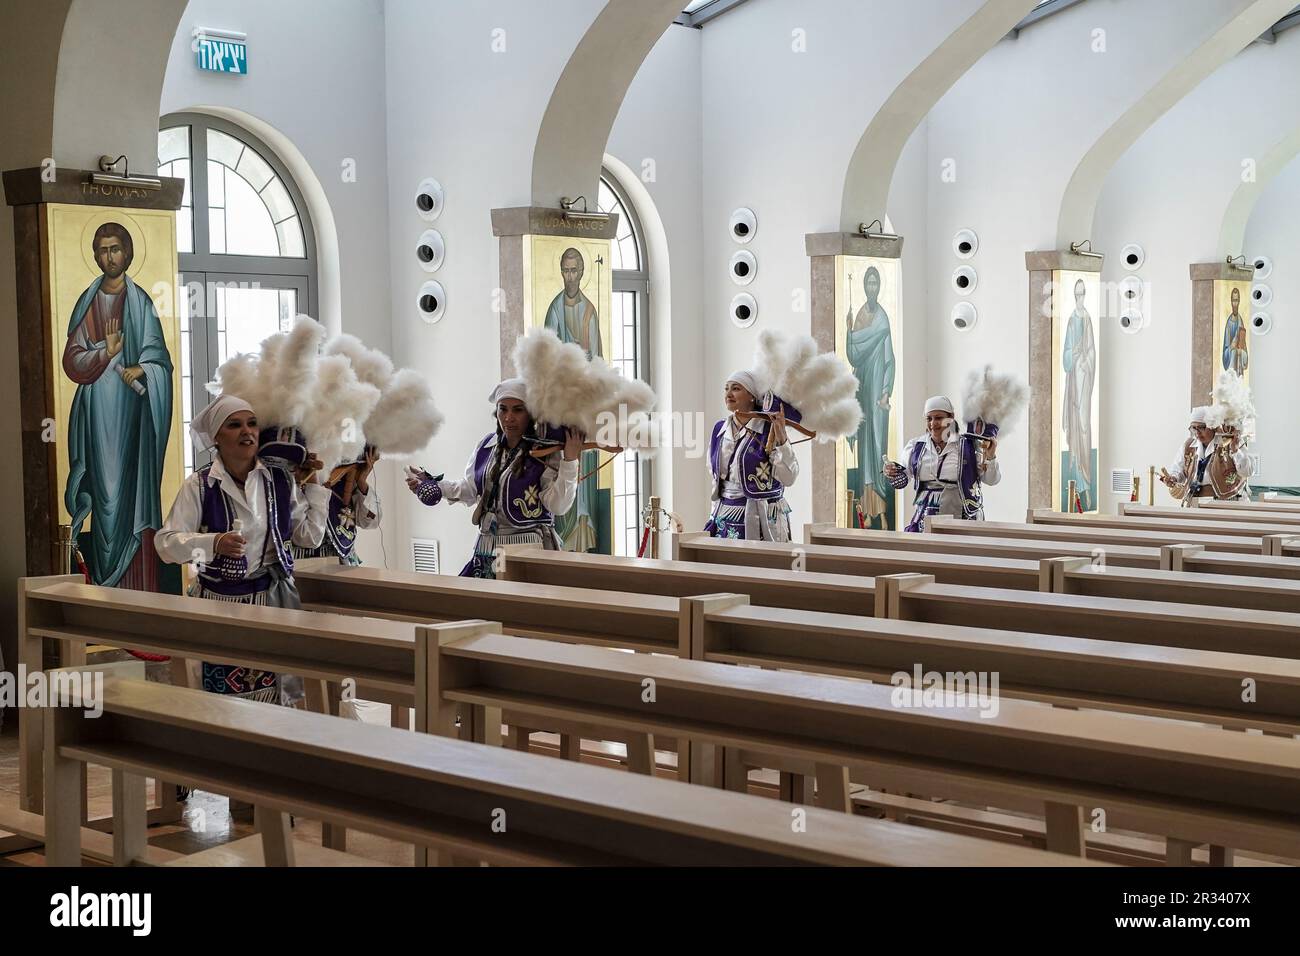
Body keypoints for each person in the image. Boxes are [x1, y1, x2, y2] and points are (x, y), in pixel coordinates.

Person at [155, 394, 331, 702]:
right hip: (220, 605)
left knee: (275, 696)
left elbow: (308, 537)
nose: (247, 431)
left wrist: (313, 483)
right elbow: (166, 544)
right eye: (234, 425)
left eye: (252, 424)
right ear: (216, 437)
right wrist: (213, 543)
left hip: (272, 600)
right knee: (226, 698)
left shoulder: (279, 479)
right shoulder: (199, 485)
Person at [63, 221, 174, 589]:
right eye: (102, 250)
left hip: (134, 416)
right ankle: (102, 581)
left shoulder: (140, 300)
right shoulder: (88, 300)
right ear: (95, 255)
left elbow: (161, 362)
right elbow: (71, 360)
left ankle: (135, 590)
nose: (109, 256)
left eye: (115, 249)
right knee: (105, 492)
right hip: (97, 413)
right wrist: (103, 353)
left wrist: (140, 368)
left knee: (132, 491)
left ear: (127, 252)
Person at [406, 378, 580, 578]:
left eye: (517, 410)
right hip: (487, 547)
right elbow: (469, 490)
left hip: (528, 549)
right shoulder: (486, 445)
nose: (508, 417)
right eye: (503, 409)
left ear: (530, 414)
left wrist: (570, 461)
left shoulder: (545, 452)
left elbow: (559, 505)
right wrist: (433, 483)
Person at [544, 247, 602, 552]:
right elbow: (548, 354)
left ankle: (583, 529)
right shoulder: (554, 308)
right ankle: (564, 533)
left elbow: (599, 359)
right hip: (562, 402)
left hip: (584, 402)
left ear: (581, 272)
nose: (570, 276)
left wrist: (588, 363)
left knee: (583, 462)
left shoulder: (590, 310)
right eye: (565, 270)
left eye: (575, 270)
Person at [705, 371, 799, 542]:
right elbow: (715, 474)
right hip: (724, 515)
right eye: (726, 389)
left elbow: (789, 477)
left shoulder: (768, 429)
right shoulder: (719, 429)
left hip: (764, 516)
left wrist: (782, 437)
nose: (728, 394)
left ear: (751, 396)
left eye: (736, 388)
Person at [885, 395, 1000, 532]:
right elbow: (903, 480)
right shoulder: (915, 446)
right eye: (929, 418)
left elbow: (992, 480)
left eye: (938, 418)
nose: (933, 424)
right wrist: (892, 472)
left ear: (951, 417)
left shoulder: (969, 446)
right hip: (925, 520)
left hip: (964, 520)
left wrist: (991, 457)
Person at [845, 266, 896, 529]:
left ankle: (880, 504)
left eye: (876, 283)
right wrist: (847, 331)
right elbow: (854, 354)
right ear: (865, 286)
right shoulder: (862, 314)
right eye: (869, 284)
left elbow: (889, 358)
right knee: (864, 440)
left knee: (877, 443)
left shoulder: (883, 318)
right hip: (864, 385)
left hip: (877, 391)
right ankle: (864, 507)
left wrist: (886, 390)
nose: (873, 288)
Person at [292, 447, 382, 565]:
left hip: (343, 558)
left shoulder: (349, 478)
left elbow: (370, 522)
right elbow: (306, 536)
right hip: (305, 560)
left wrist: (362, 481)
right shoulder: (299, 476)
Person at [1160, 406, 1253, 505]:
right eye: (1193, 428)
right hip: (1195, 502)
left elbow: (1247, 471)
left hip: (1227, 503)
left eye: (1201, 428)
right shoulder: (1188, 445)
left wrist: (1235, 450)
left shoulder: (1231, 441)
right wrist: (1173, 478)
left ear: (1213, 427)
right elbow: (1178, 470)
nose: (1197, 433)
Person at [1061, 278, 1096, 512]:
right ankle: (1074, 482)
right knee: (1074, 428)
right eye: (1077, 294)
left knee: (1084, 425)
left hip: (1085, 380)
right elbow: (1065, 353)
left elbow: (1092, 351)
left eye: (1082, 294)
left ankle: (1085, 483)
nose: (1079, 298)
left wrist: (1086, 359)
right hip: (1074, 381)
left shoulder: (1088, 320)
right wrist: (1073, 357)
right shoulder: (1072, 319)